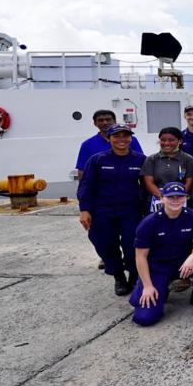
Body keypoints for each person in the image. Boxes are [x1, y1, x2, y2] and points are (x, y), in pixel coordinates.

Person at [129, 182, 193, 324]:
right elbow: (140, 256)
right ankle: (145, 286)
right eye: (171, 197)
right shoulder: (149, 222)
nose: (175, 201)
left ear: (185, 198)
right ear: (162, 198)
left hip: (182, 265)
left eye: (179, 197)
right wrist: (147, 286)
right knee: (145, 318)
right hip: (158, 268)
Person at [78, 123, 150, 296]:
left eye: (126, 136)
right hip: (102, 211)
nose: (122, 139)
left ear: (131, 138)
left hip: (131, 210)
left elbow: (147, 187)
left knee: (132, 244)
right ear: (109, 138)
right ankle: (118, 276)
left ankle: (134, 275)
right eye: (117, 136)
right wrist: (84, 209)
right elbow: (86, 185)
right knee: (105, 243)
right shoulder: (97, 160)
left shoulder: (140, 160)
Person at [74, 109, 144, 180]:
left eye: (108, 119)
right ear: (95, 123)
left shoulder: (131, 140)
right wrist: (83, 189)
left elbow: (142, 164)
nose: (105, 122)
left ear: (115, 121)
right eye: (101, 120)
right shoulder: (87, 145)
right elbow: (82, 170)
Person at [141, 128, 193, 205]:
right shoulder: (151, 159)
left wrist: (176, 198)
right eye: (163, 140)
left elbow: (189, 183)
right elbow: (149, 183)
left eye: (171, 140)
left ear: (180, 141)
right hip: (158, 200)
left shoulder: (188, 159)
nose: (166, 143)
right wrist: (163, 197)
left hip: (181, 200)